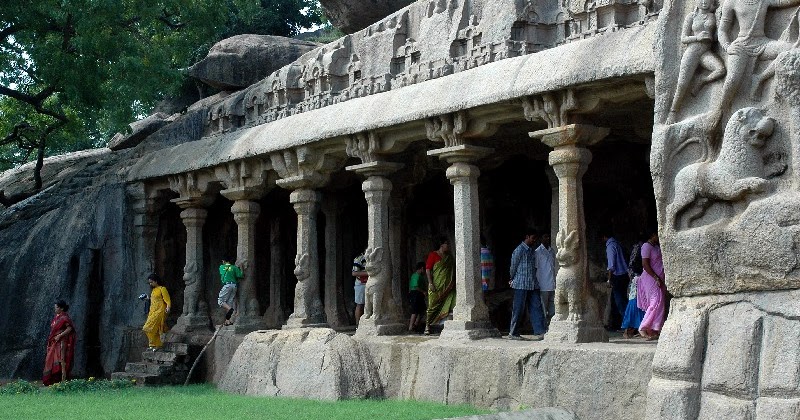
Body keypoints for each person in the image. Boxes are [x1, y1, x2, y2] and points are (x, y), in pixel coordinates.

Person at [666, 0, 725, 123]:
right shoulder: (691, 16)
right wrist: (697, 37)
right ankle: (673, 111)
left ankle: (702, 80)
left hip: (705, 52)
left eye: (707, 0)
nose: (704, 2)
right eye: (701, 0)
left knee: (720, 69)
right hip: (692, 51)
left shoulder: (713, 16)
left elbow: (716, 36)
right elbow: (683, 38)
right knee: (682, 83)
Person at [508, 229, 546, 340]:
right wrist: (512, 278)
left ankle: (540, 331)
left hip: (532, 283)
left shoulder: (531, 251)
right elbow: (513, 267)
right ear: (527, 236)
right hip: (521, 284)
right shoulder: (519, 250)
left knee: (536, 307)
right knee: (518, 309)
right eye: (533, 238)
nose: (534, 240)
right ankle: (513, 333)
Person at [637, 229, 666, 340]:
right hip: (651, 278)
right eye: (657, 235)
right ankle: (643, 326)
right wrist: (655, 277)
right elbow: (645, 264)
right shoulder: (646, 246)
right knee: (655, 301)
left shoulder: (656, 247)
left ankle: (653, 329)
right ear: (652, 235)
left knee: (660, 303)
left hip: (660, 278)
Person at [424, 236, 456, 335]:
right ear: (441, 245)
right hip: (436, 286)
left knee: (453, 302)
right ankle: (427, 325)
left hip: (448, 286)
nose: (448, 246)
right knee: (432, 306)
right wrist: (430, 283)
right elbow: (428, 269)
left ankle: (447, 326)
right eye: (447, 244)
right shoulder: (433, 255)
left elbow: (452, 270)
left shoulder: (449, 257)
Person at [43, 300, 76, 386]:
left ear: (61, 308)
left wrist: (60, 335)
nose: (55, 309)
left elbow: (69, 329)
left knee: (61, 360)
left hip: (61, 342)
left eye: (56, 307)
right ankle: (54, 381)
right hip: (54, 342)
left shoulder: (65, 318)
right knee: (51, 359)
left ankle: (63, 380)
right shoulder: (56, 318)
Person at [602, 229, 629, 331]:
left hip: (617, 276)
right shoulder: (617, 243)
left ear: (604, 237)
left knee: (620, 302)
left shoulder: (610, 246)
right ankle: (616, 324)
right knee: (615, 301)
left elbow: (611, 265)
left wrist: (609, 279)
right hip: (624, 274)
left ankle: (627, 325)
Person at [621, 235, 646, 338]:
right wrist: (636, 277)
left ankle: (636, 328)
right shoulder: (639, 247)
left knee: (639, 303)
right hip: (637, 279)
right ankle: (630, 329)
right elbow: (631, 266)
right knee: (634, 302)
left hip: (642, 278)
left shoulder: (644, 247)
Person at [142, 273, 171, 350]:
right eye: (149, 282)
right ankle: (155, 345)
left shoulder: (162, 289)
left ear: (156, 281)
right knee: (156, 329)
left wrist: (168, 307)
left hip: (160, 311)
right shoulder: (154, 290)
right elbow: (154, 300)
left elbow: (167, 300)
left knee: (147, 327)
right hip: (152, 311)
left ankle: (154, 344)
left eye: (151, 282)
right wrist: (147, 299)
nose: (150, 284)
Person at [535, 231, 557, 327]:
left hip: (552, 284)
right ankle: (544, 327)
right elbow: (536, 268)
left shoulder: (552, 251)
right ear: (541, 239)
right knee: (543, 309)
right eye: (545, 237)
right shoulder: (537, 252)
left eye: (548, 237)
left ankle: (551, 326)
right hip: (543, 284)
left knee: (553, 308)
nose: (547, 239)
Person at [219, 256, 243, 326]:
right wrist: (241, 268)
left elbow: (222, 273)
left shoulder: (221, 267)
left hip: (227, 285)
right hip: (234, 286)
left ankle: (231, 310)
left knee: (220, 301)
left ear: (223, 261)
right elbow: (241, 275)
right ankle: (228, 321)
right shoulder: (234, 267)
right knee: (229, 303)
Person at [408, 261, 427, 332]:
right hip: (415, 294)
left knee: (422, 311)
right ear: (422, 268)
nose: (424, 271)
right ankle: (410, 327)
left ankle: (415, 325)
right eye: (424, 269)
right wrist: (423, 292)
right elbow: (415, 287)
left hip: (418, 295)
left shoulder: (419, 276)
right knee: (415, 311)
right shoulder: (416, 276)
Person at [352, 252, 368, 326]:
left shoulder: (374, 258)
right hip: (361, 284)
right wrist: (369, 273)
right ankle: (358, 325)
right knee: (360, 304)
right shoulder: (359, 258)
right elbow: (354, 273)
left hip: (371, 283)